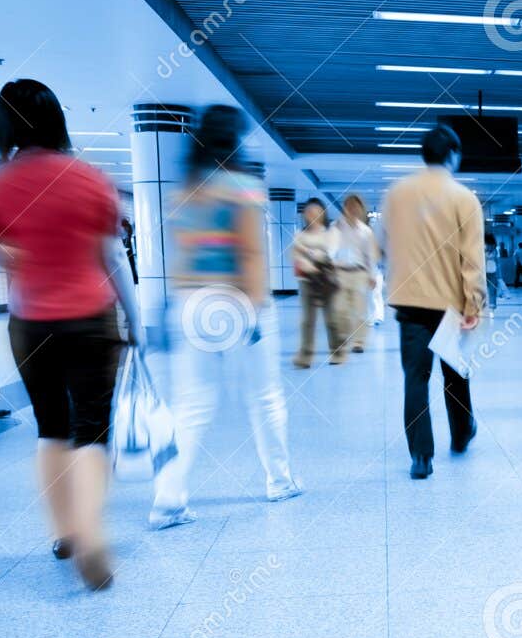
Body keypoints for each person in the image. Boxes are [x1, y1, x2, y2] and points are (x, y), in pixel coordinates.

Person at [0, 78, 140, 591]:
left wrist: (20, 250)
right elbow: (112, 257)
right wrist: (136, 319)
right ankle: (92, 532)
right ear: (58, 121)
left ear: (6, 126)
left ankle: (66, 531)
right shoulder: (90, 178)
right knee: (93, 429)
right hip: (92, 319)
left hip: (30, 322)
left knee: (51, 429)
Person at [150, 105, 301, 527]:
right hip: (235, 302)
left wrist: (172, 310)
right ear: (234, 140)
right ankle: (279, 481)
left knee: (192, 403)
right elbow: (252, 253)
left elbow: (178, 257)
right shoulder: (244, 187)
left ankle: (168, 498)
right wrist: (254, 313)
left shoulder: (183, 192)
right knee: (264, 395)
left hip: (190, 303)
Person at [379, 124, 485, 481]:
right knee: (455, 371)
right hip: (450, 304)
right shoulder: (463, 198)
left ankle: (421, 457)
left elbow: (385, 244)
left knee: (415, 377)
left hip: (409, 301)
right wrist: (474, 303)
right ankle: (460, 435)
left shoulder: (396, 194)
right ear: (453, 154)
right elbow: (472, 259)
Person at [291, 198, 341, 368]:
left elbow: (329, 253)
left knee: (331, 319)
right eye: (309, 211)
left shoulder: (330, 233)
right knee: (307, 321)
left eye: (316, 211)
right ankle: (305, 357)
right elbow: (296, 257)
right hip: (307, 281)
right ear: (304, 214)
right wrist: (312, 257)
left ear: (323, 213)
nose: (312, 214)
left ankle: (338, 352)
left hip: (327, 280)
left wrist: (308, 253)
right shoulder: (300, 234)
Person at [332, 193, 379, 355]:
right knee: (341, 309)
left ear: (361, 209)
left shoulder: (366, 231)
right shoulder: (336, 227)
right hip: (340, 273)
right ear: (345, 208)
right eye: (349, 206)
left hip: (359, 273)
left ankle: (358, 342)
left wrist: (372, 275)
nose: (353, 209)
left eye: (356, 206)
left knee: (360, 309)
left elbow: (370, 256)